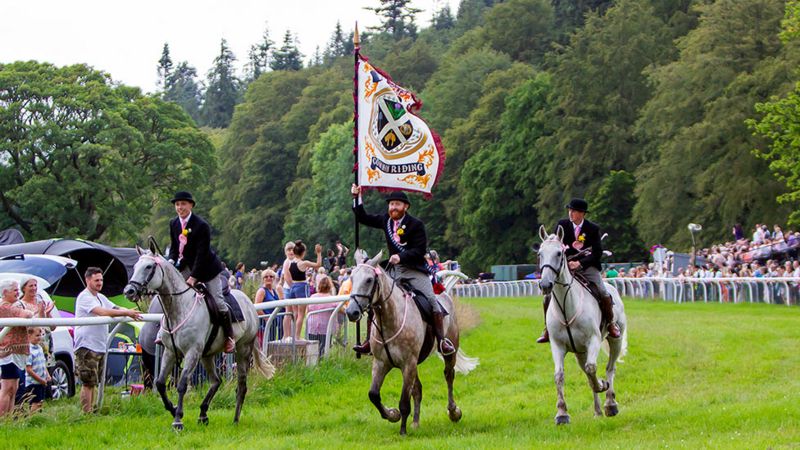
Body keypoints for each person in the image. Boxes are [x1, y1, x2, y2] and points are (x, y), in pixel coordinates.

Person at [351, 184, 456, 356]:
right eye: (391, 204)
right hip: (393, 271)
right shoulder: (385, 220)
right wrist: (357, 197)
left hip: (413, 270)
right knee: (374, 299)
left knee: (431, 300)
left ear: (405, 207)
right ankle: (370, 342)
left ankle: (442, 341)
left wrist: (401, 257)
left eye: (397, 204)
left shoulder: (416, 224)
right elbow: (363, 217)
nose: (393, 207)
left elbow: (419, 250)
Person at [537, 198, 620, 343]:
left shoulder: (592, 229)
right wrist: (567, 263)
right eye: (570, 210)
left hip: (588, 268)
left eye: (573, 211)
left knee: (603, 292)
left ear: (582, 213)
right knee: (548, 296)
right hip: (565, 268)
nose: (570, 213)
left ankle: (611, 324)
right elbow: (557, 247)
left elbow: (597, 253)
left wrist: (580, 264)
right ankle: (547, 329)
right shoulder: (562, 225)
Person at [166, 191, 235, 353]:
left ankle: (229, 337)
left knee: (218, 301)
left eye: (183, 204)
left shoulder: (201, 225)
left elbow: (201, 254)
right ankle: (166, 333)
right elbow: (174, 248)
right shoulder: (173, 223)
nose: (179, 207)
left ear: (191, 205)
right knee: (171, 296)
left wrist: (193, 278)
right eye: (177, 204)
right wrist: (170, 263)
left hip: (206, 268)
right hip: (185, 266)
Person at [74, 267, 141, 413]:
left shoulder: (101, 297)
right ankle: (86, 413)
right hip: (87, 345)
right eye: (96, 280)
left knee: (94, 382)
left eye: (101, 280)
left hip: (99, 345)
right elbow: (103, 312)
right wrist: (126, 312)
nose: (100, 283)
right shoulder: (84, 297)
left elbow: (115, 307)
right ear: (88, 280)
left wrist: (133, 311)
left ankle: (92, 411)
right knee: (88, 382)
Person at [0, 280, 33, 417]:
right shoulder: (4, 306)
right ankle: (3, 419)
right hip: (8, 353)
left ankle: (9, 418)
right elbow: (26, 314)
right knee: (7, 388)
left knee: (13, 388)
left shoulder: (13, 306)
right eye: (14, 290)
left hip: (16, 353)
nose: (17, 293)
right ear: (5, 292)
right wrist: (28, 309)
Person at [282, 241, 322, 340]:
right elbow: (318, 264)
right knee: (301, 314)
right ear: (303, 253)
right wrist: (318, 253)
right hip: (301, 286)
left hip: (293, 286)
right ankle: (297, 336)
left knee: (291, 312)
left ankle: (288, 335)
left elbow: (288, 275)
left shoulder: (290, 263)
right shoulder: (303, 263)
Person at [306, 275, 342, 356]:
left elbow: (307, 310)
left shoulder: (312, 297)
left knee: (312, 349)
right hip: (325, 328)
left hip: (312, 326)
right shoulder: (332, 299)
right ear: (330, 287)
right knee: (324, 349)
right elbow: (342, 309)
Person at [25, 327, 50, 413]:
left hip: (41, 381)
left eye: (40, 335)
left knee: (40, 401)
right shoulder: (29, 350)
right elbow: (28, 369)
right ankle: (33, 418)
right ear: (29, 336)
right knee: (35, 402)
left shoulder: (39, 348)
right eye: (36, 335)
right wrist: (40, 380)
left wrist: (47, 375)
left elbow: (43, 364)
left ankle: (38, 417)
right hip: (33, 382)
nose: (39, 337)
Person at [254, 269, 283, 342]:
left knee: (271, 342)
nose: (268, 278)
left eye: (271, 276)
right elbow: (257, 308)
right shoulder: (262, 291)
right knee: (265, 343)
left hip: (273, 322)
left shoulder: (274, 291)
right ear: (263, 279)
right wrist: (267, 319)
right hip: (264, 323)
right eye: (266, 277)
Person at [279, 241, 296, 341]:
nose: (291, 252)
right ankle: (286, 335)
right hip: (289, 289)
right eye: (289, 250)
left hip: (292, 287)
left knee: (293, 313)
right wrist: (293, 287)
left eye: (292, 250)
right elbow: (286, 277)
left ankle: (292, 335)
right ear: (286, 252)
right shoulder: (287, 262)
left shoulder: (294, 261)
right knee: (288, 312)